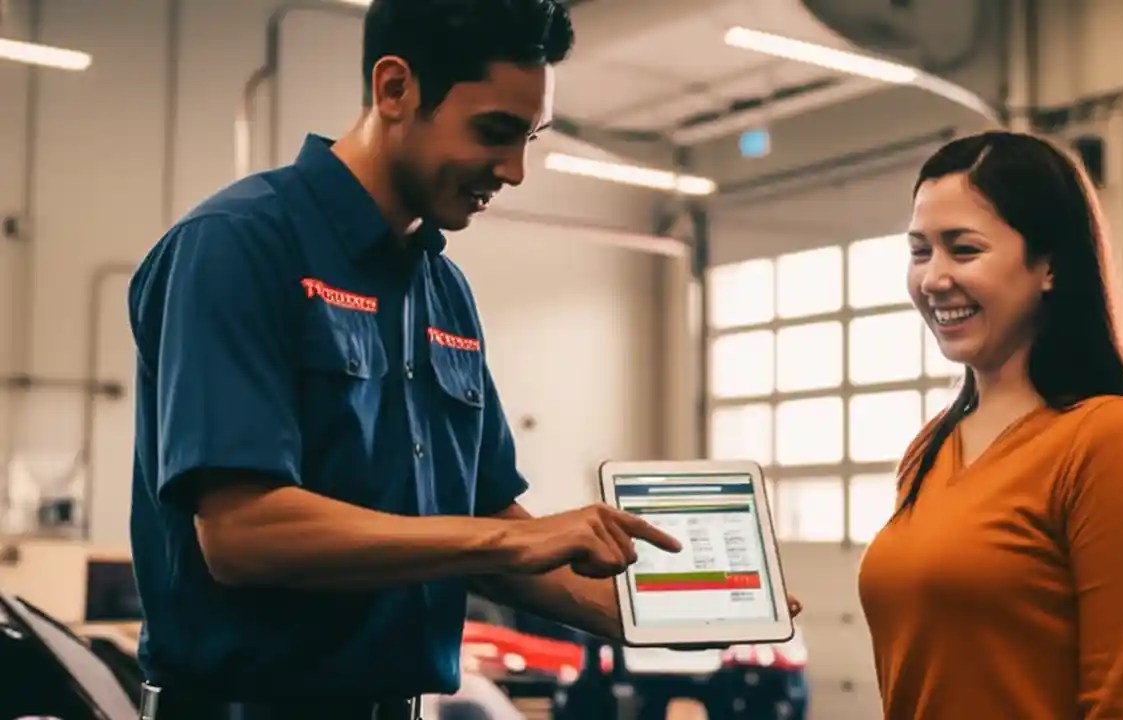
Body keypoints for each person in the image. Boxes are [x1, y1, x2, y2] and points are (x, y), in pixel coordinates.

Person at [126, 2, 793, 718]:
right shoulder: (237, 246)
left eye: (530, 137)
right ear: (394, 89)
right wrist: (511, 539)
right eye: (496, 132)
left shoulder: (442, 291)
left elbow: (483, 522)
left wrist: (659, 619)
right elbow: (244, 534)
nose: (515, 170)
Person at [857, 131, 1123, 719]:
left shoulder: (1112, 441)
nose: (934, 279)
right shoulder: (930, 449)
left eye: (963, 250)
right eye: (920, 252)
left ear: (1049, 265)